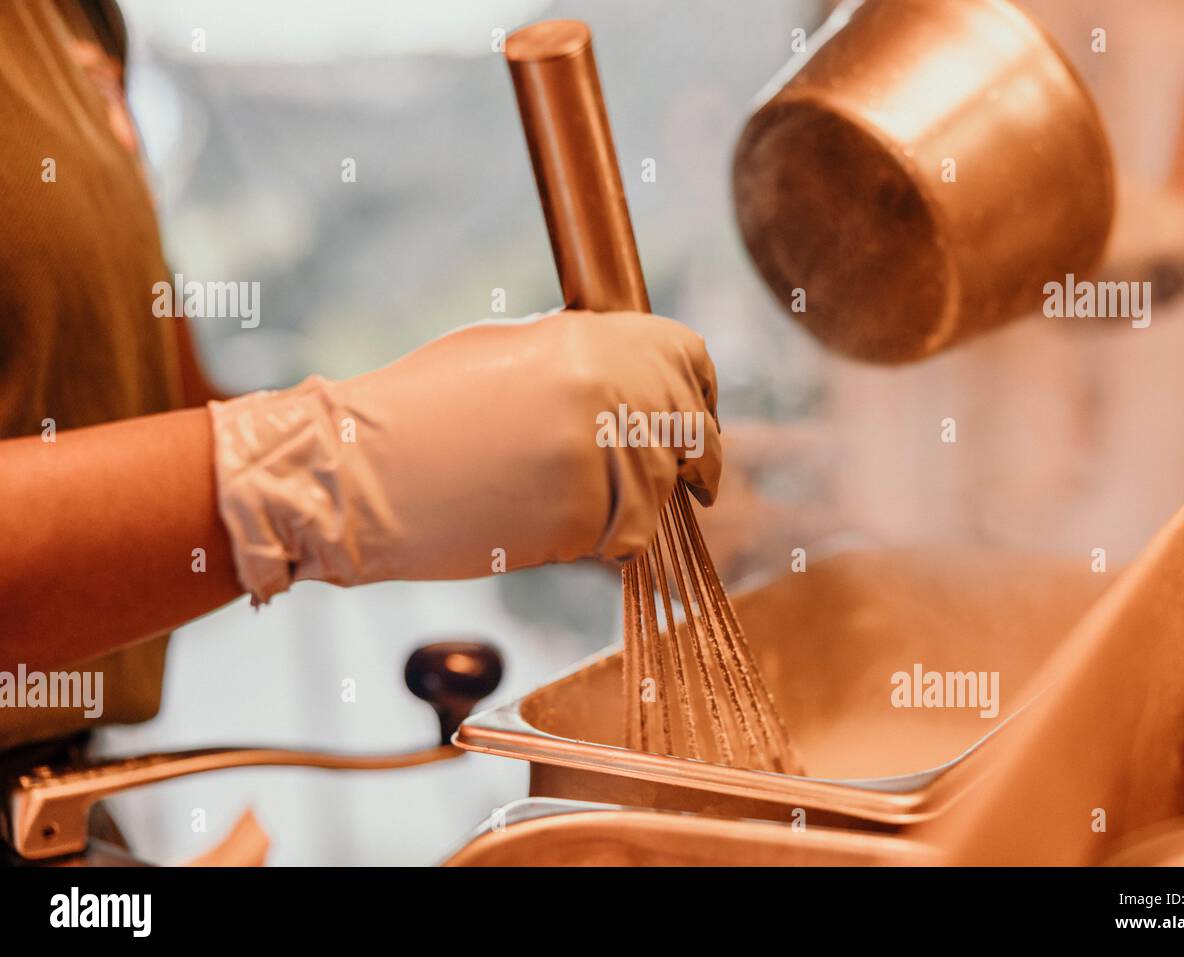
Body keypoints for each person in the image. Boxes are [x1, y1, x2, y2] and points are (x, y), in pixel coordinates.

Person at [0, 0, 721, 764]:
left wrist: (523, 452)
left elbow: (153, 421)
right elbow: (262, 470)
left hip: (65, 790)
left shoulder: (69, 15)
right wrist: (327, 472)